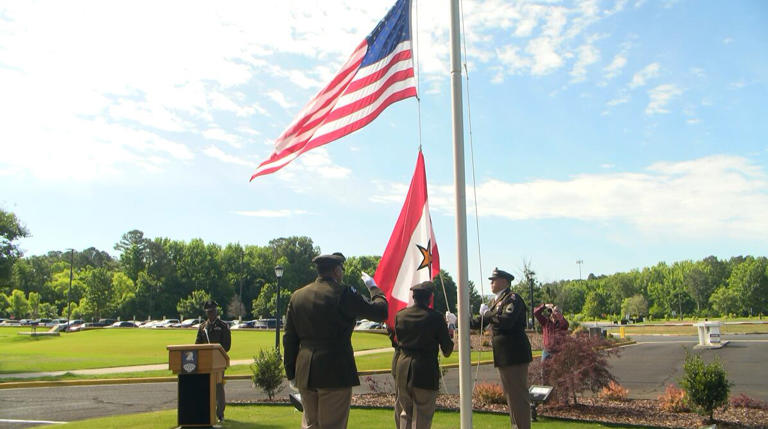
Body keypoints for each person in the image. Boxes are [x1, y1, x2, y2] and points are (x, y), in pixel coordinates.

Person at [283, 252, 388, 429]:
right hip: (335, 369)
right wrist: (374, 288)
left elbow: (289, 339)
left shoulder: (297, 296)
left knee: (310, 425)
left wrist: (291, 373)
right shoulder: (344, 293)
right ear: (336, 270)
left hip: (305, 370)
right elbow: (380, 312)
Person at [470, 268, 532, 429]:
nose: (491, 282)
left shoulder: (512, 299)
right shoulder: (496, 302)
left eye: (494, 279)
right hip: (505, 356)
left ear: (505, 281)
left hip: (514, 355)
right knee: (511, 396)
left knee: (518, 397)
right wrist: (459, 320)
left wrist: (488, 314)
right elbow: (479, 322)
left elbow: (506, 321)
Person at [391, 281, 455, 429]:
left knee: (405, 414)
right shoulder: (435, 318)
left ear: (413, 297)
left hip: (403, 368)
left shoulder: (400, 315)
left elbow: (399, 341)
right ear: (430, 298)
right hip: (424, 369)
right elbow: (447, 350)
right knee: (422, 416)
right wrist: (450, 326)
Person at [195, 299, 231, 422]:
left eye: (213, 311)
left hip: (218, 362)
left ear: (216, 312)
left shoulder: (223, 326)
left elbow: (227, 345)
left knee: (218, 387)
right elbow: (197, 344)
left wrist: (215, 352)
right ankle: (206, 412)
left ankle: (220, 413)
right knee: (206, 387)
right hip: (205, 363)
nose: (211, 313)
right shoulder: (202, 327)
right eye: (209, 312)